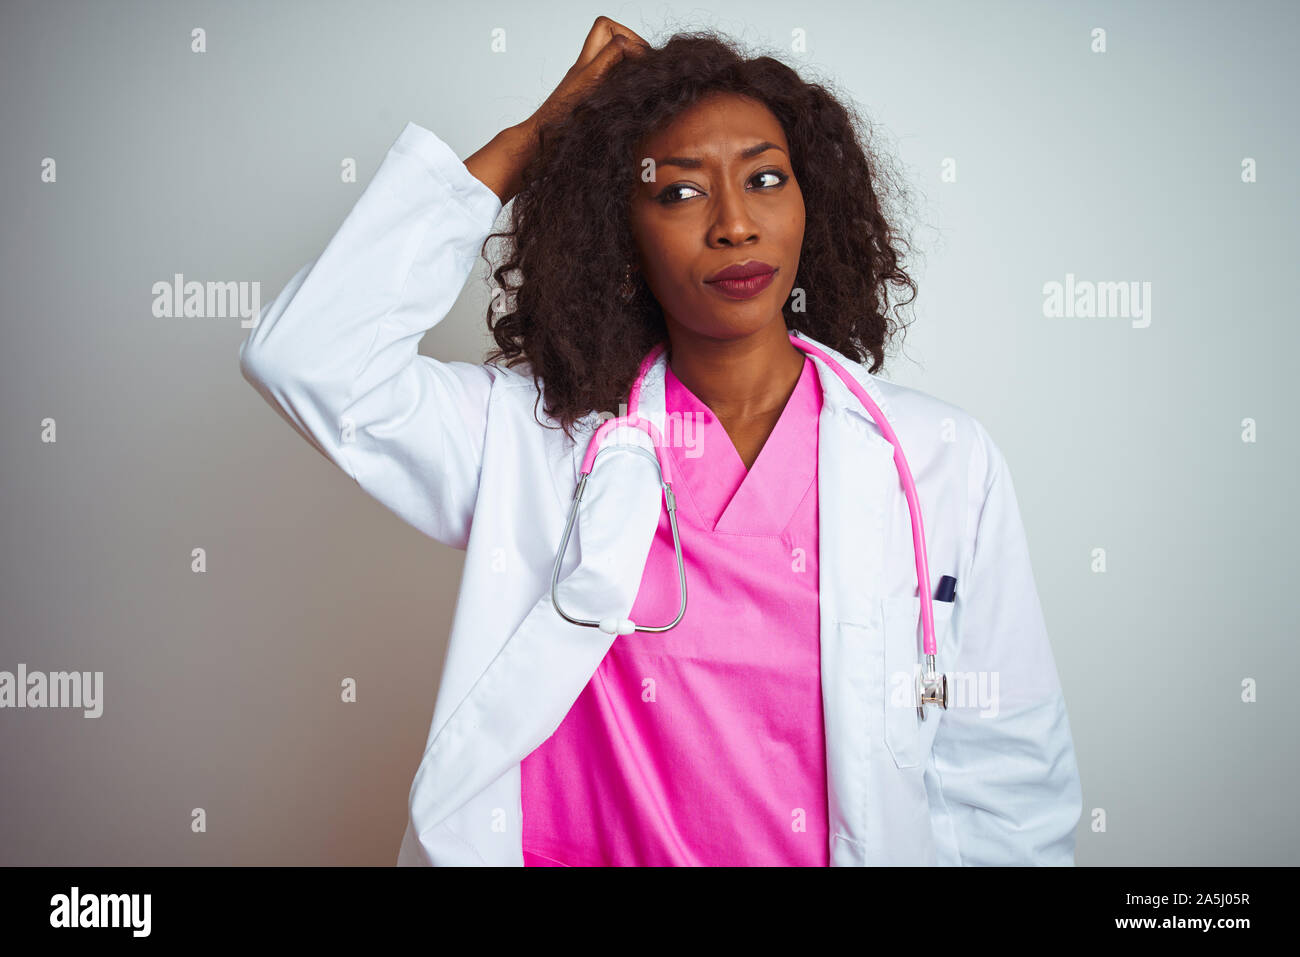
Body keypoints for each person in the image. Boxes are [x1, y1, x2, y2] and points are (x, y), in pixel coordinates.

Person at [239, 18, 1083, 866]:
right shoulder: (540, 440)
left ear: (809, 202)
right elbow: (310, 358)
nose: (734, 226)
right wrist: (530, 142)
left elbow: (1007, 786)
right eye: (679, 192)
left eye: (764, 179)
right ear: (619, 232)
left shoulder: (935, 459)